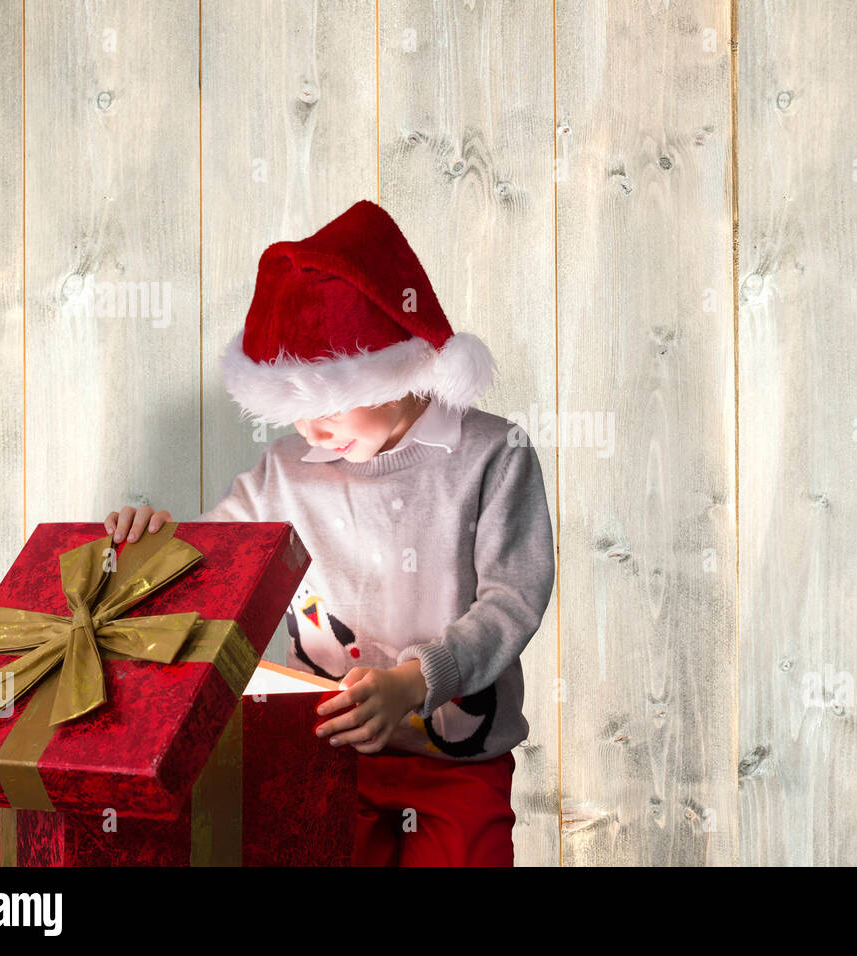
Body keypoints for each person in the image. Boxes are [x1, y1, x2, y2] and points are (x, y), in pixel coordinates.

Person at [104, 200, 555, 866]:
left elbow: (512, 603)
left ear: (394, 368)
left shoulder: (492, 455)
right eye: (293, 410)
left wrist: (413, 680)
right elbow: (213, 560)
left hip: (454, 767)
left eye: (326, 401)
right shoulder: (286, 474)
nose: (310, 430)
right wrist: (147, 545)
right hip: (320, 757)